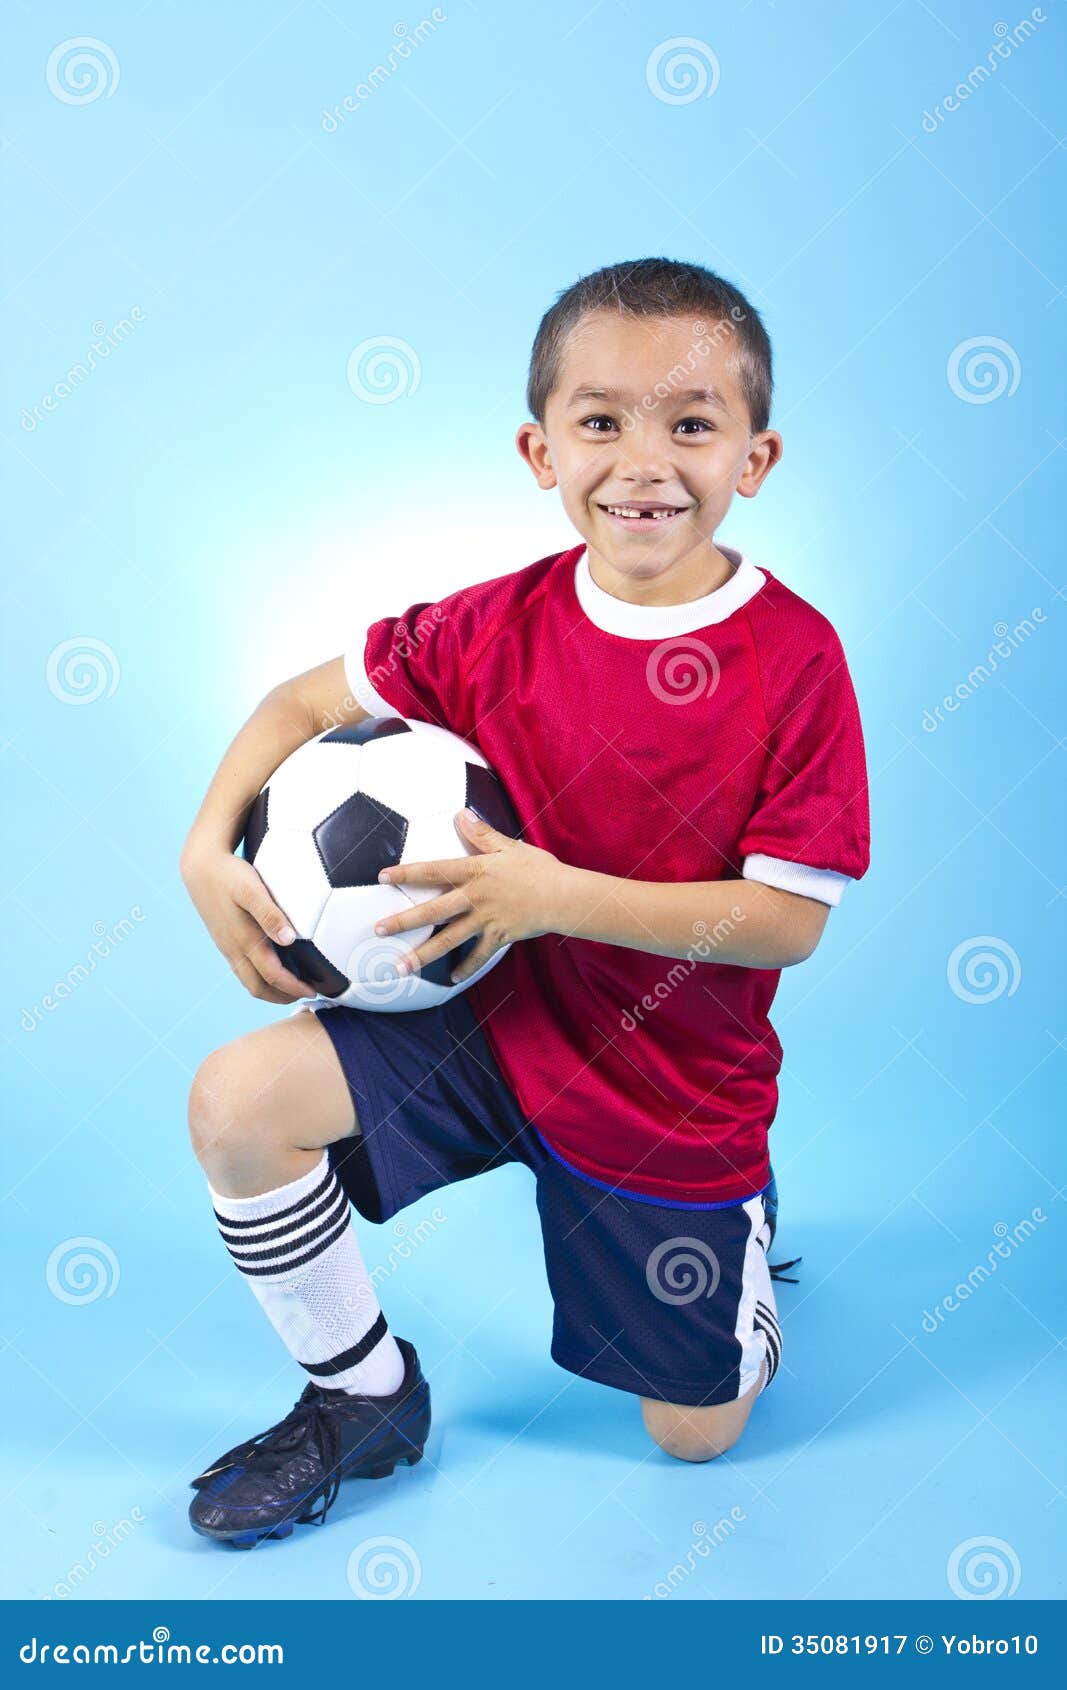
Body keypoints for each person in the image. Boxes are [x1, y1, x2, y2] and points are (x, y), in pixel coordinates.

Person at [179, 257, 870, 1549]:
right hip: (479, 1022)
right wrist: (205, 845)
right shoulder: (494, 626)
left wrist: (552, 894)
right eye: (601, 420)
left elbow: (787, 920)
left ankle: (740, 1234)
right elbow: (297, 707)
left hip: (665, 1074)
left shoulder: (795, 660)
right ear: (539, 447)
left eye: (693, 422)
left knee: (692, 1432)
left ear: (756, 459)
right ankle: (361, 1397)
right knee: (234, 1104)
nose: (644, 461)